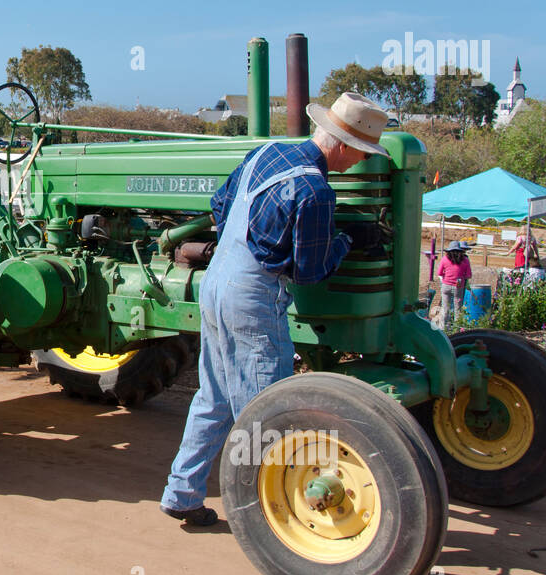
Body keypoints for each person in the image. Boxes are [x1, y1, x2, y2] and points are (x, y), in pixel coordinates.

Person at [160, 92, 391, 526]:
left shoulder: (267, 153)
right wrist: (349, 241)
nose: (360, 163)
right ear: (342, 144)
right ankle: (266, 517)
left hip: (216, 283)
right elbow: (309, 271)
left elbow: (219, 203)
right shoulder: (316, 191)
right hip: (252, 300)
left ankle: (182, 492)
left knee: (213, 397)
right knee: (270, 411)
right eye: (361, 153)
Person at [438, 240, 472, 327]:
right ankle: (457, 328)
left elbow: (439, 273)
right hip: (458, 287)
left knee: (445, 308)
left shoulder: (445, 259)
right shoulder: (465, 260)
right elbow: (469, 275)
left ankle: (444, 328)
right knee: (458, 309)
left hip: (446, 286)